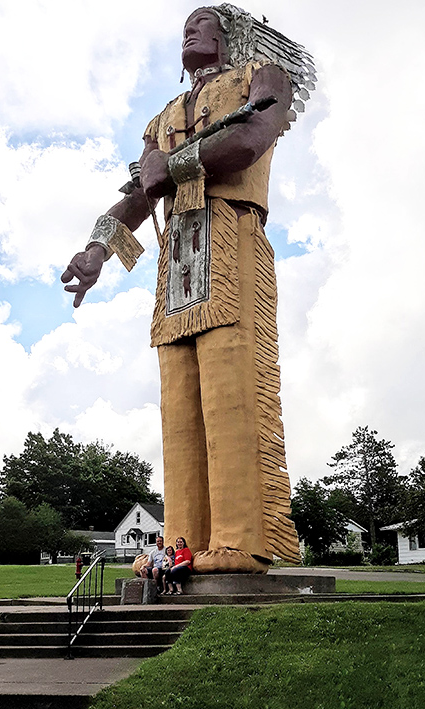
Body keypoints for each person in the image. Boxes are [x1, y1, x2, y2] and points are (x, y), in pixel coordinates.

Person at [61, 5, 315, 574]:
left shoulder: (263, 78)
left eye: (203, 21)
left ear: (234, 33)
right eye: (185, 25)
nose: (189, 30)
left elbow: (247, 142)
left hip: (230, 232)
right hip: (177, 255)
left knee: (231, 389)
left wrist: (171, 167)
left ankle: (240, 540)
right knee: (178, 402)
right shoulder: (163, 117)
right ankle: (180, 543)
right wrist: (98, 250)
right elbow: (136, 196)